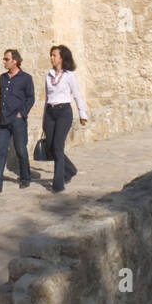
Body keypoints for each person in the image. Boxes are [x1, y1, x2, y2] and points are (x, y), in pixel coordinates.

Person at [0, 49, 35, 192]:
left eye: (6, 59)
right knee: (0, 150)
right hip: (2, 120)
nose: (4, 62)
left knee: (21, 149)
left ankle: (25, 178)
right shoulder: (3, 78)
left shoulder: (26, 78)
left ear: (15, 61)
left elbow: (30, 98)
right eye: (4, 59)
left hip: (17, 120)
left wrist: (22, 114)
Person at [43, 44, 87, 193]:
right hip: (50, 111)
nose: (52, 58)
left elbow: (76, 95)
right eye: (51, 55)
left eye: (54, 55)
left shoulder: (69, 76)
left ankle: (58, 184)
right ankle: (70, 169)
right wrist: (44, 118)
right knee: (50, 146)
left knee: (58, 145)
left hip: (64, 112)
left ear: (61, 58)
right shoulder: (48, 75)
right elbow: (46, 97)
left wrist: (82, 114)